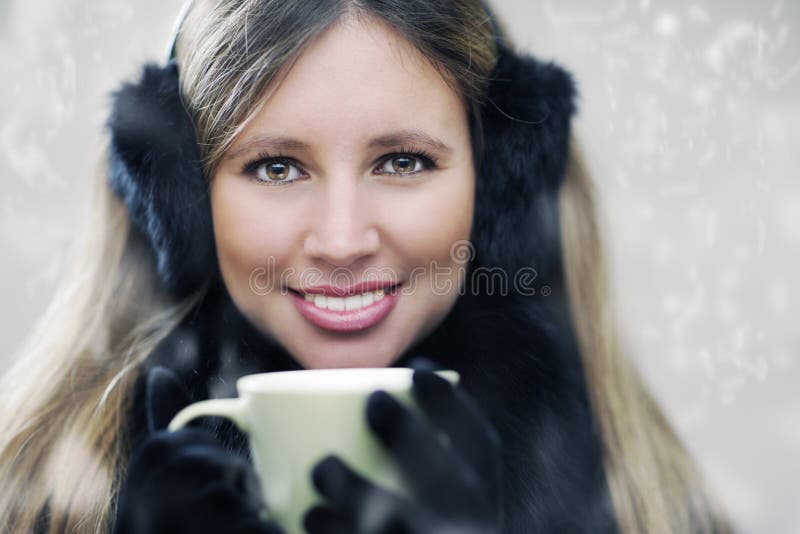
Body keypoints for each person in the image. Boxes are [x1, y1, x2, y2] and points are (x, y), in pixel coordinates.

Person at [0, 0, 733, 532]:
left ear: (501, 186)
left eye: (403, 160)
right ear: (179, 196)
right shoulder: (24, 503)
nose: (343, 241)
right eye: (277, 167)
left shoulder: (659, 513)